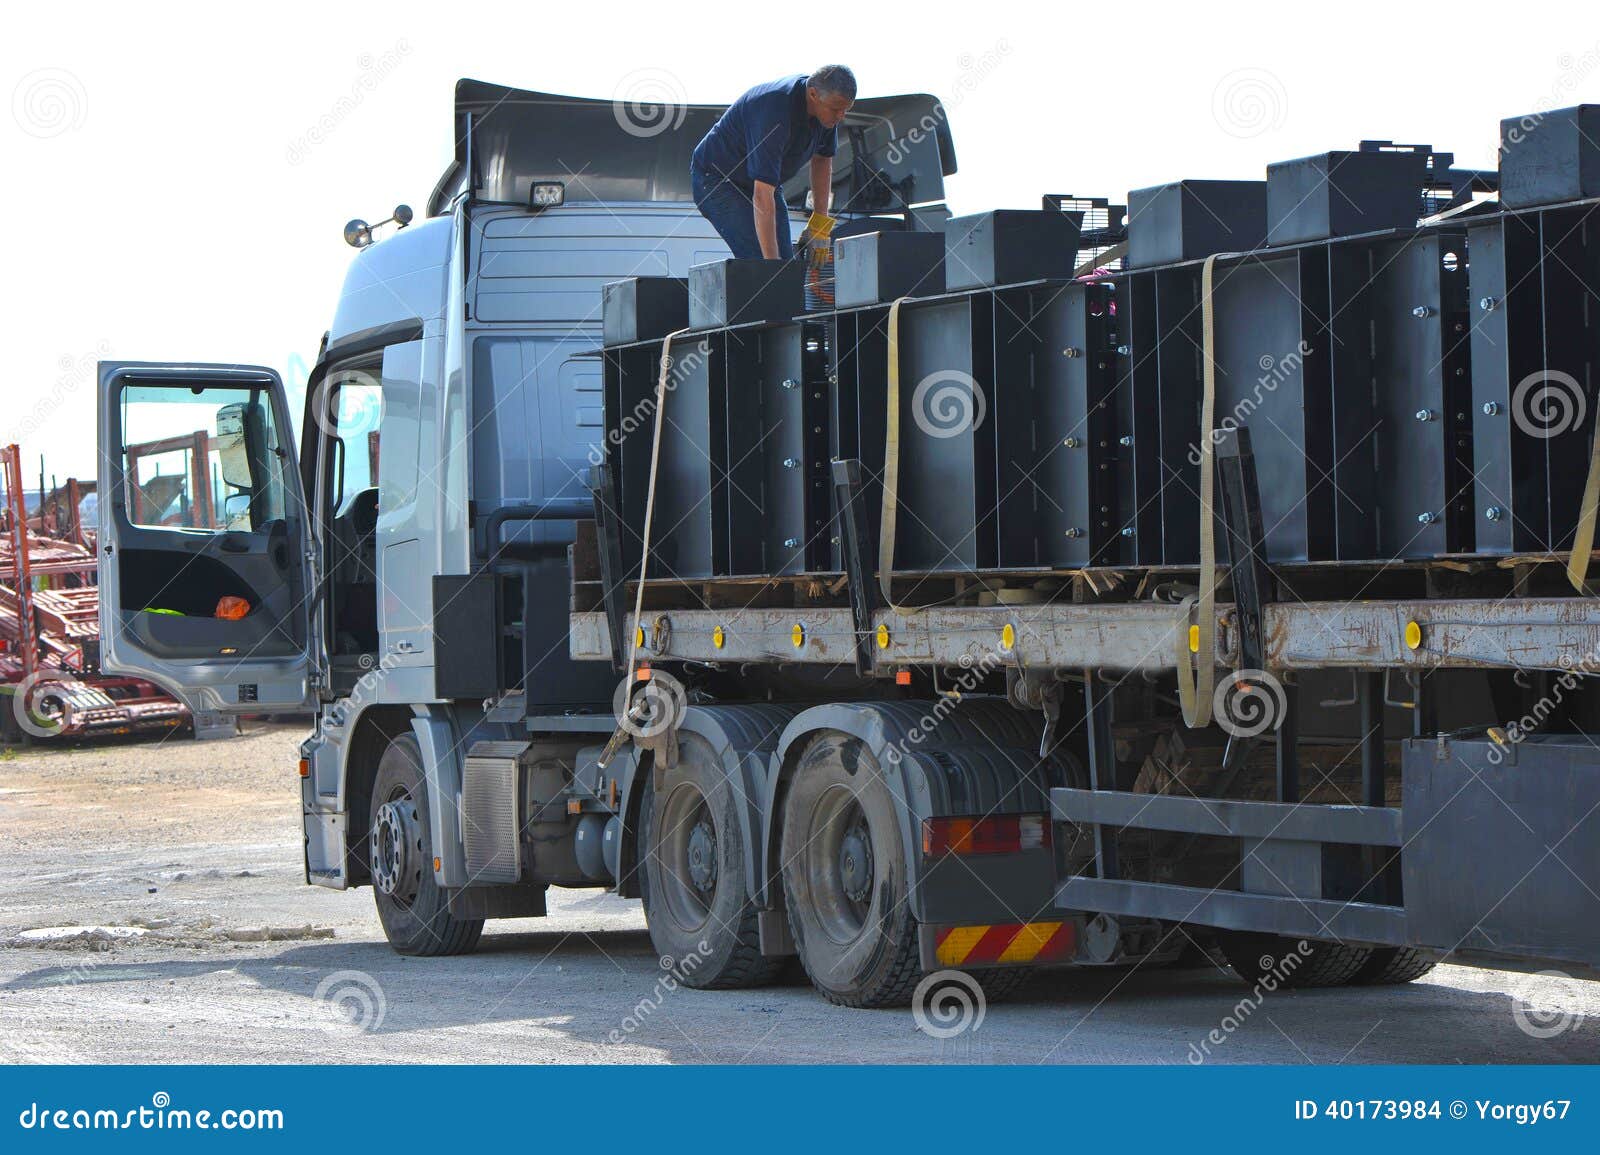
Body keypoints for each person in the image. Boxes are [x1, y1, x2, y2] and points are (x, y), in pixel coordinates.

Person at [690, 66, 856, 261]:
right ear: (813, 94)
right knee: (763, 260)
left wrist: (819, 226)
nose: (841, 116)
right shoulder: (775, 110)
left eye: (846, 110)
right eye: (836, 109)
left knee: (785, 263)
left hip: (764, 183)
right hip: (717, 180)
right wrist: (771, 269)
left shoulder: (826, 114)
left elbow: (822, 160)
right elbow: (762, 195)